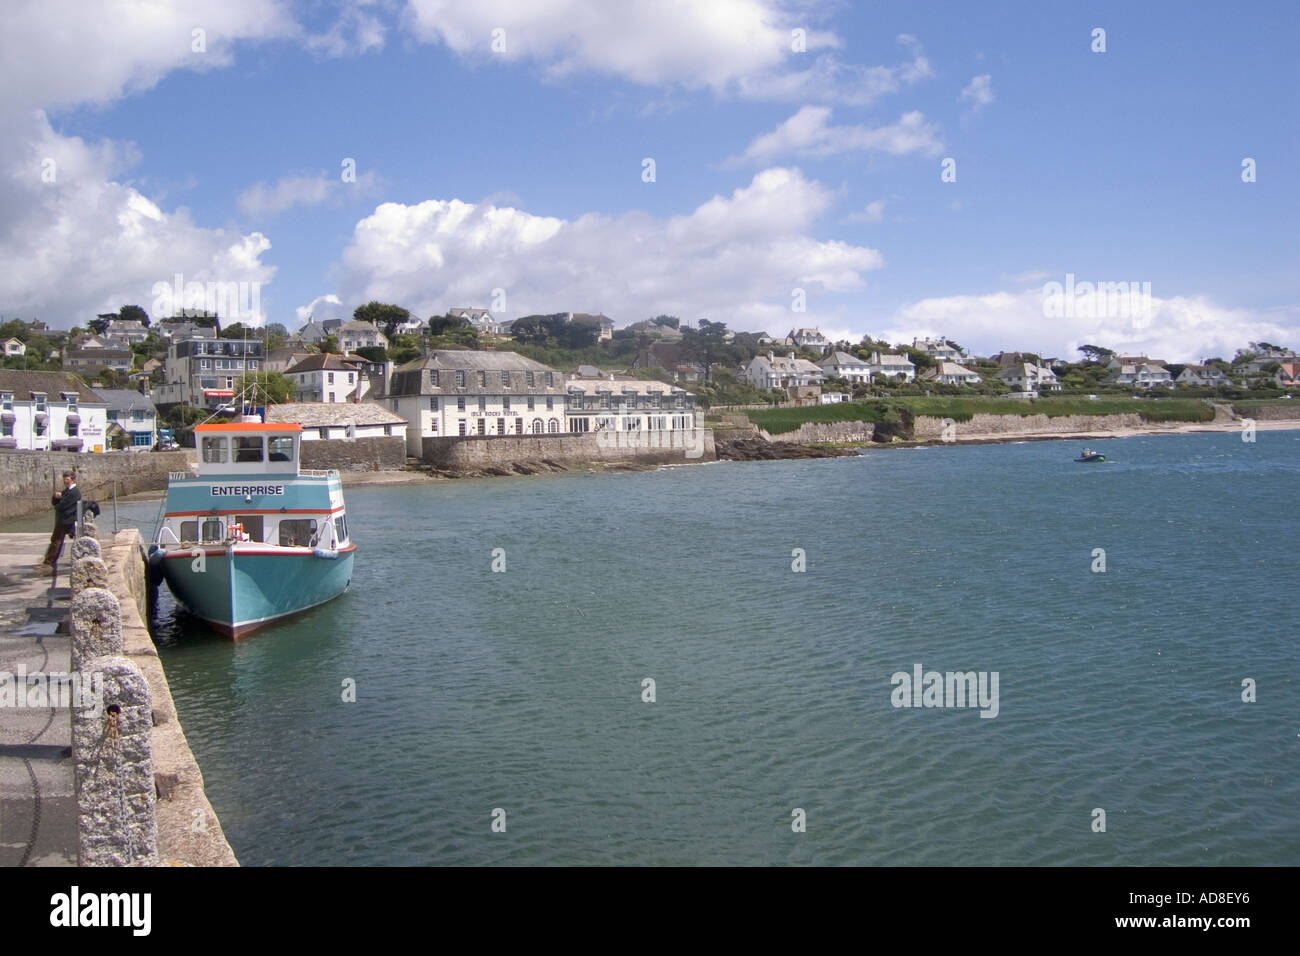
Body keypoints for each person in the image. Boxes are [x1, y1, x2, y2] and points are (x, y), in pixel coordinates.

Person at [38, 471, 81, 569]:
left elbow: (61, 506)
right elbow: (56, 503)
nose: (65, 481)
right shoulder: (67, 491)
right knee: (55, 540)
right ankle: (48, 561)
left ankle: (49, 563)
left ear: (73, 480)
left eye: (67, 479)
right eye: (64, 479)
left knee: (56, 541)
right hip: (63, 519)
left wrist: (58, 502)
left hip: (66, 520)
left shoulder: (74, 492)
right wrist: (55, 497)